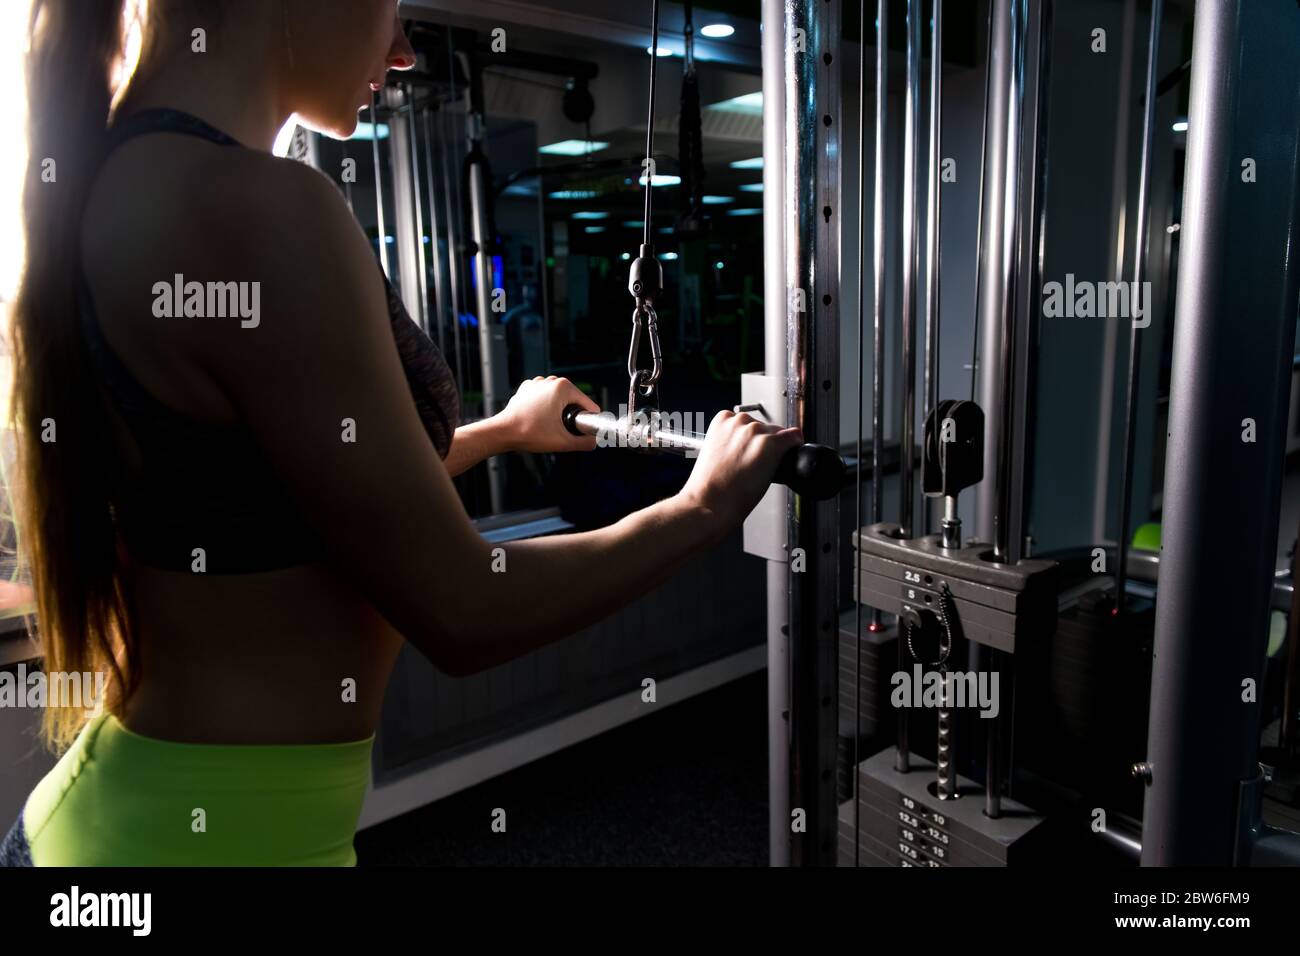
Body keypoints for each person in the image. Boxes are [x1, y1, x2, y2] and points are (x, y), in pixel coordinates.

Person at [0, 0, 800, 866]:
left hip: (143, 820)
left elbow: (285, 497)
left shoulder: (131, 180)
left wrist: (496, 433)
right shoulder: (257, 207)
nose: (407, 51)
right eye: (393, 8)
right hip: (211, 841)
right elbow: (464, 608)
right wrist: (706, 506)